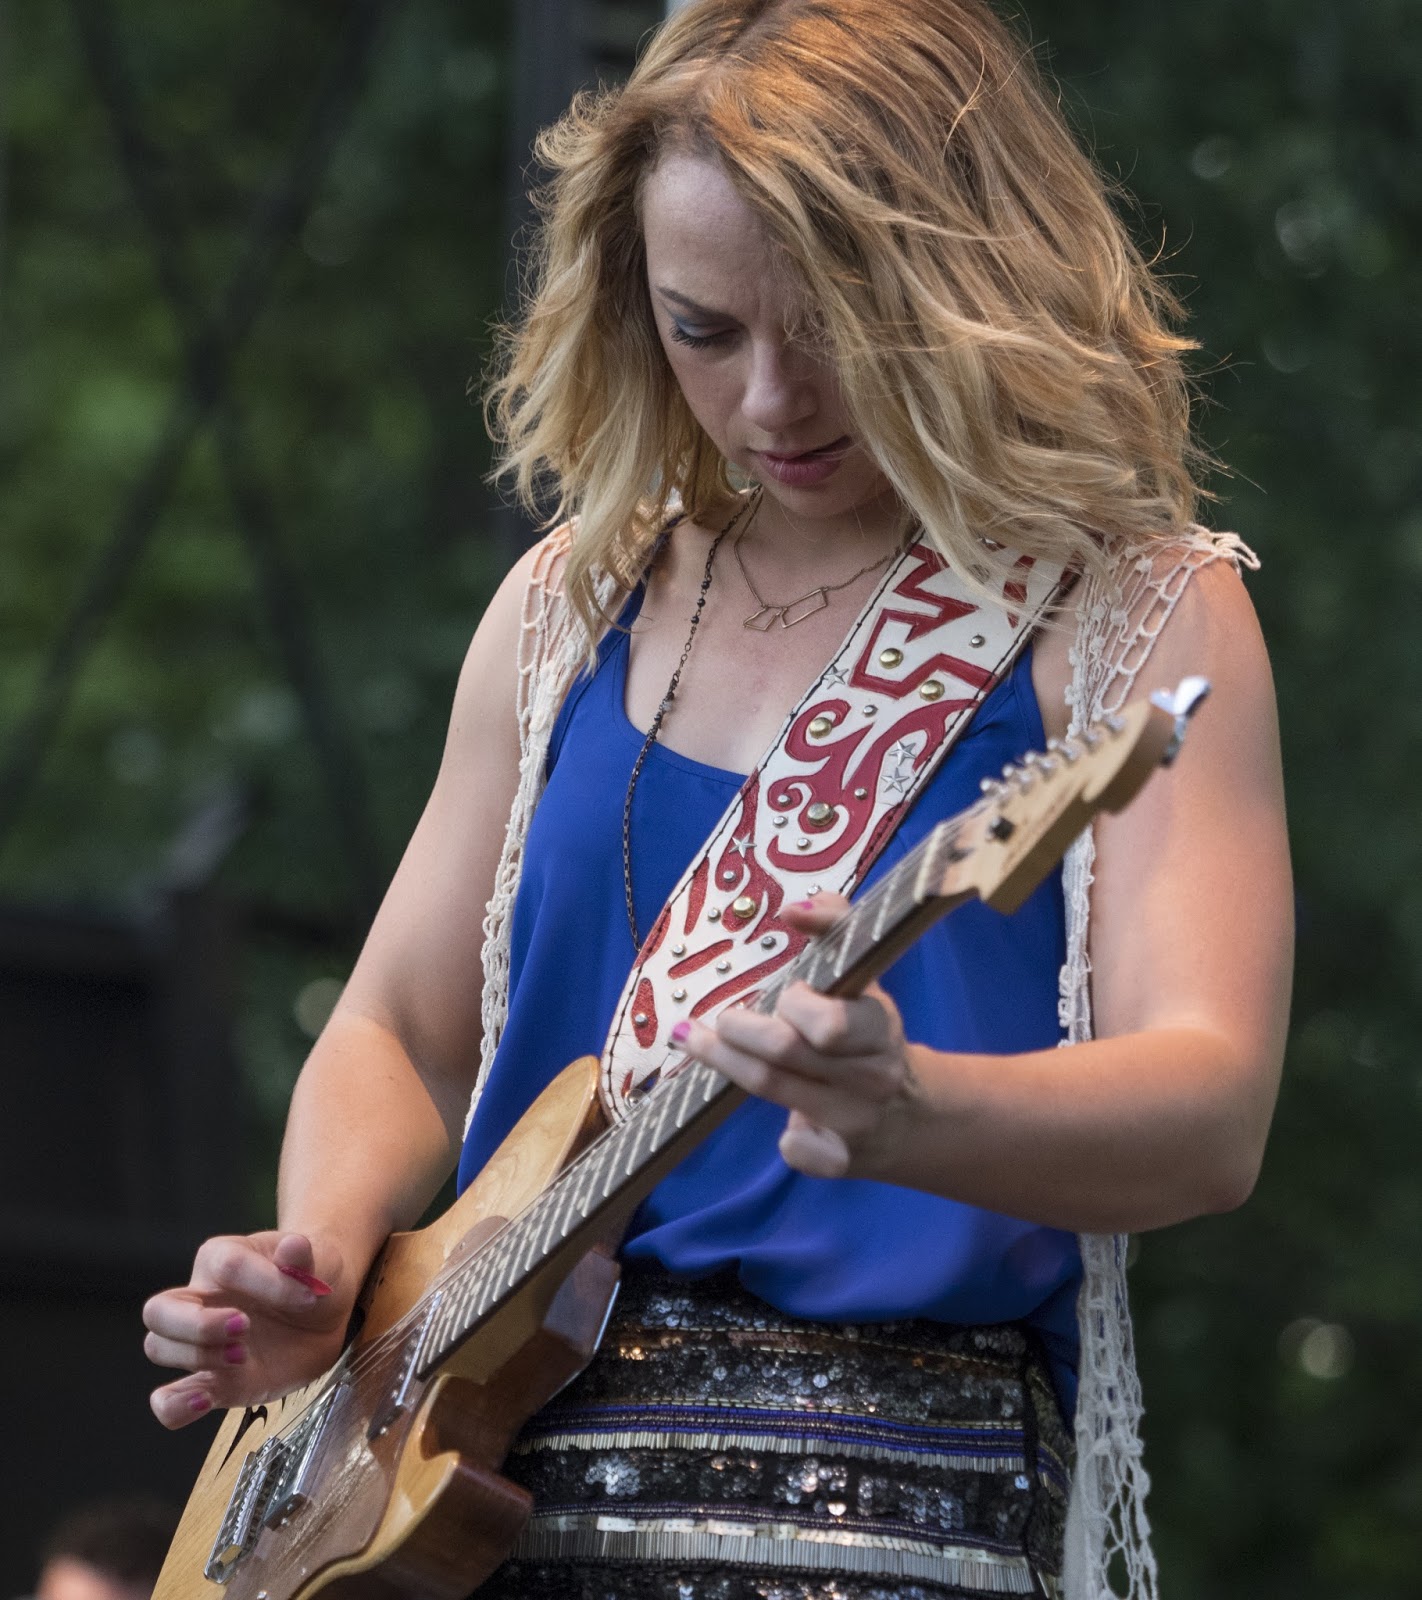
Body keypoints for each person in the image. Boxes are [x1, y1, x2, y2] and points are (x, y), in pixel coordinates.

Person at [140, 2, 1292, 1596]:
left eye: (832, 320)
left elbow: (1210, 1112)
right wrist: (320, 1267)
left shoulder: (1129, 608)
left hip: (894, 1514)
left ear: (963, 275)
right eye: (704, 330)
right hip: (468, 1501)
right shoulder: (570, 603)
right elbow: (398, 1028)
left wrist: (914, 1112)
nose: (770, 402)